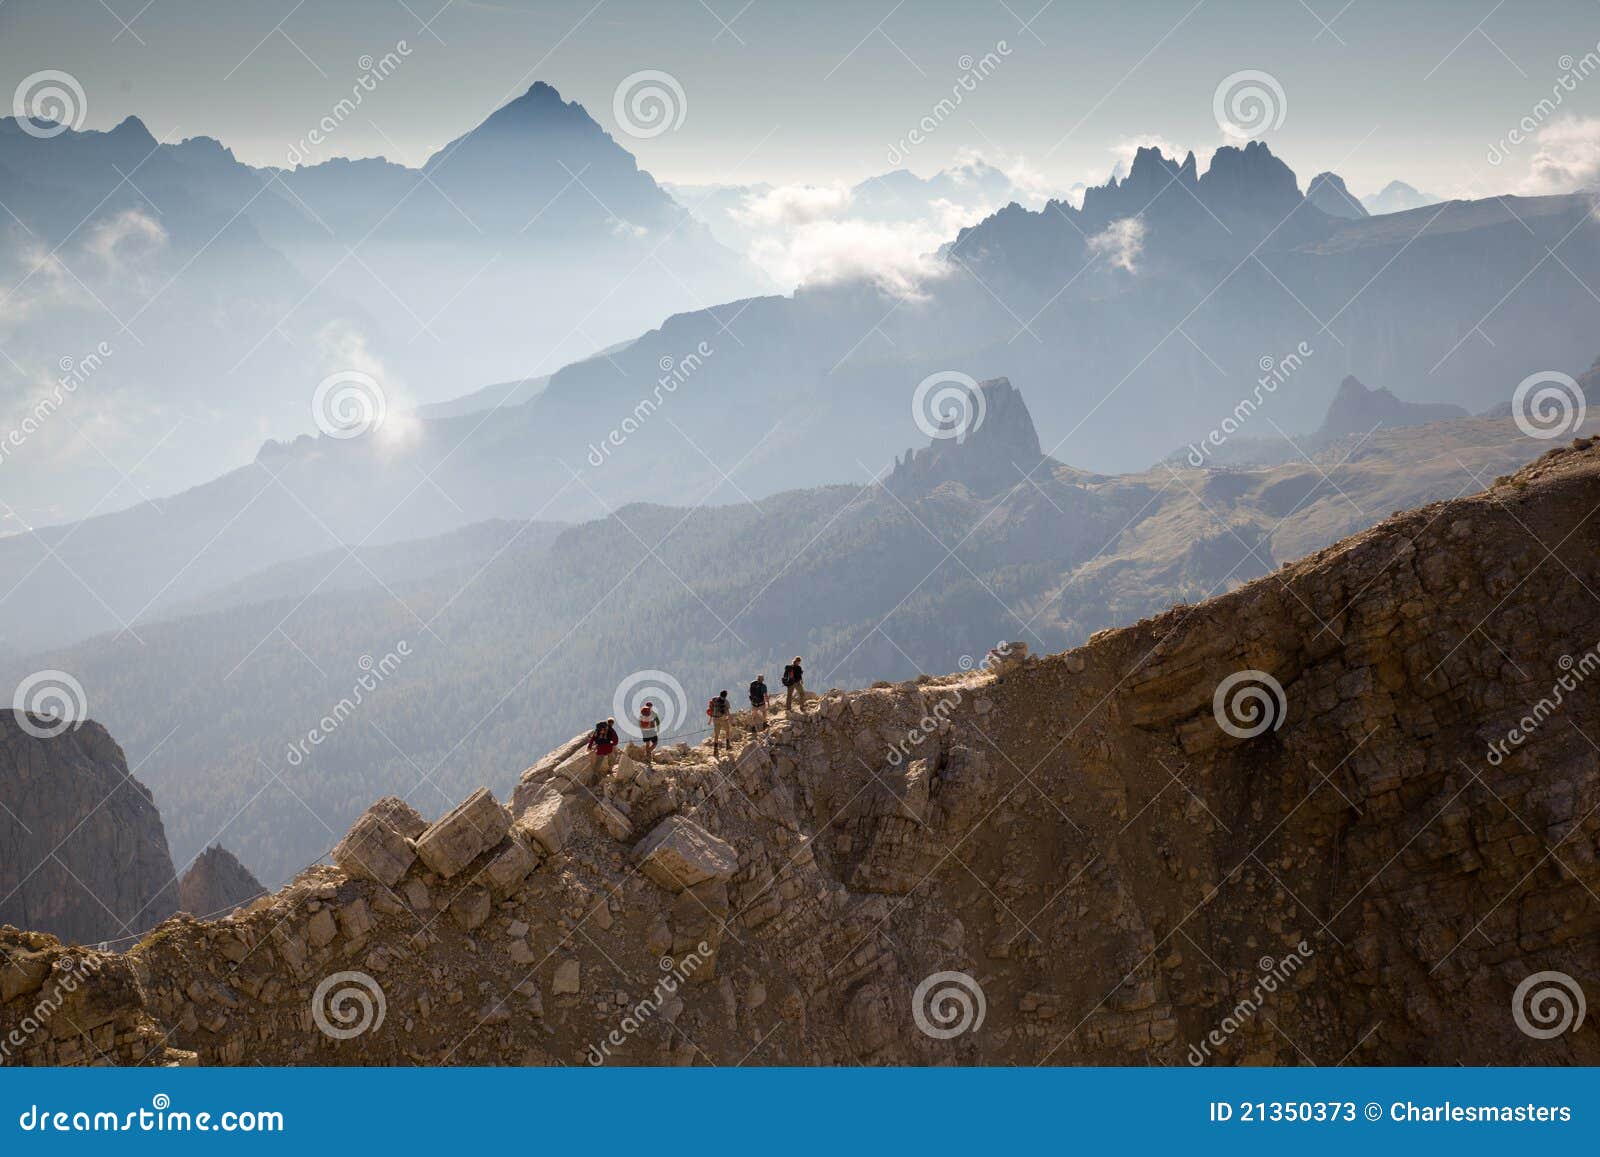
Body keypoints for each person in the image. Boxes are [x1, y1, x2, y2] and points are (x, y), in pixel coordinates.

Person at [709, 689, 732, 755]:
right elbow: (727, 712)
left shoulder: (714, 699)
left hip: (715, 719)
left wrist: (710, 719)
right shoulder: (726, 701)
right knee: (727, 730)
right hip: (723, 719)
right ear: (726, 695)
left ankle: (715, 750)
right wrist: (731, 720)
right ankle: (728, 745)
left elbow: (711, 709)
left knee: (716, 735)